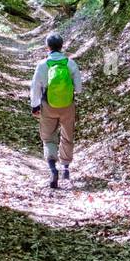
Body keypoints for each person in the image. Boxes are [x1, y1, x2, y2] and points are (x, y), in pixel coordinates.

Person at [30, 33, 83, 189]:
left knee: (48, 138)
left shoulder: (42, 65)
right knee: (67, 135)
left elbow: (35, 88)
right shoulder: (71, 64)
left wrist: (35, 106)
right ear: (62, 46)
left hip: (48, 106)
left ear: (48, 47)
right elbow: (78, 89)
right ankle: (66, 168)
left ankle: (53, 168)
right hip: (68, 106)